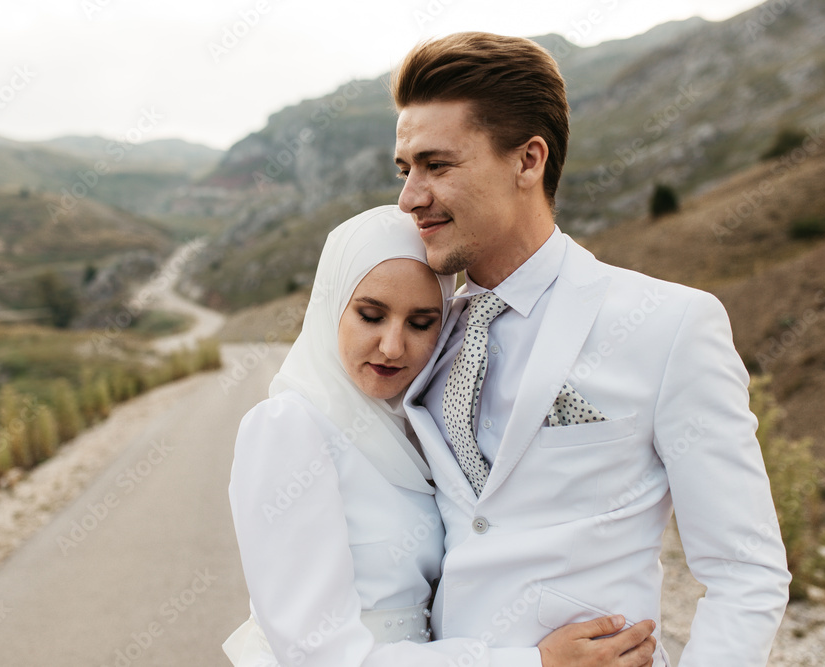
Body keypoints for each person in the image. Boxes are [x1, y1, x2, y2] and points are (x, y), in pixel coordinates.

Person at [392, 32, 792, 666]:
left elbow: (746, 569)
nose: (410, 197)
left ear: (529, 161)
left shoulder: (670, 325)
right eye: (405, 170)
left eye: (437, 166)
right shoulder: (419, 336)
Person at [224, 205, 658, 667]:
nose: (393, 347)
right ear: (330, 307)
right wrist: (537, 663)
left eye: (421, 323)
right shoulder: (287, 428)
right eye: (370, 315)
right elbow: (319, 655)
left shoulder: (421, 425)